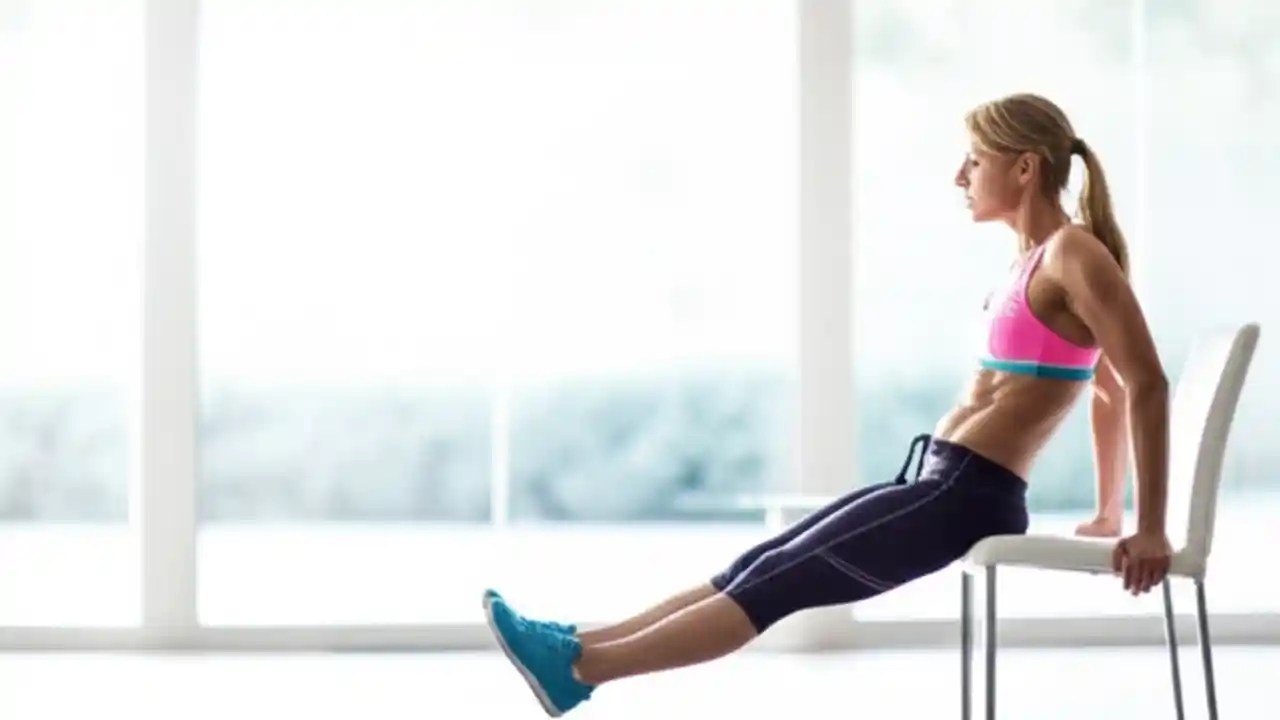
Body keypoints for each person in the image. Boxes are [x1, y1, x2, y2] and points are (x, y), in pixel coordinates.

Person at [481, 92, 1174, 717]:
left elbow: (1145, 382)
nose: (960, 177)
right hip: (939, 479)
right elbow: (1107, 389)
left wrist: (1149, 526)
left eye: (974, 161)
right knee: (754, 567)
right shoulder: (1034, 258)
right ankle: (575, 642)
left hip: (967, 495)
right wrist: (1109, 509)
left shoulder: (1075, 254)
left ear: (1024, 168)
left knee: (772, 588)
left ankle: (582, 672)